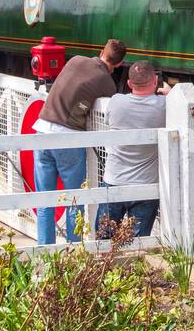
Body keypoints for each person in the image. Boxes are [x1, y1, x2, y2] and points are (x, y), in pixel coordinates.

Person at [32, 39, 126, 245]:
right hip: (68, 138)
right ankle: (72, 251)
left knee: (44, 202)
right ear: (119, 64)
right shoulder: (107, 83)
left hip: (41, 130)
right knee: (74, 201)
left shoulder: (75, 60)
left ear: (101, 52)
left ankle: (44, 251)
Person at [97, 61, 168, 240]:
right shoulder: (164, 105)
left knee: (103, 242)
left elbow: (108, 121)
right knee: (138, 246)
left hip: (114, 180)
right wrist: (171, 93)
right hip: (145, 186)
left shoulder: (116, 101)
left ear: (129, 83)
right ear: (155, 81)